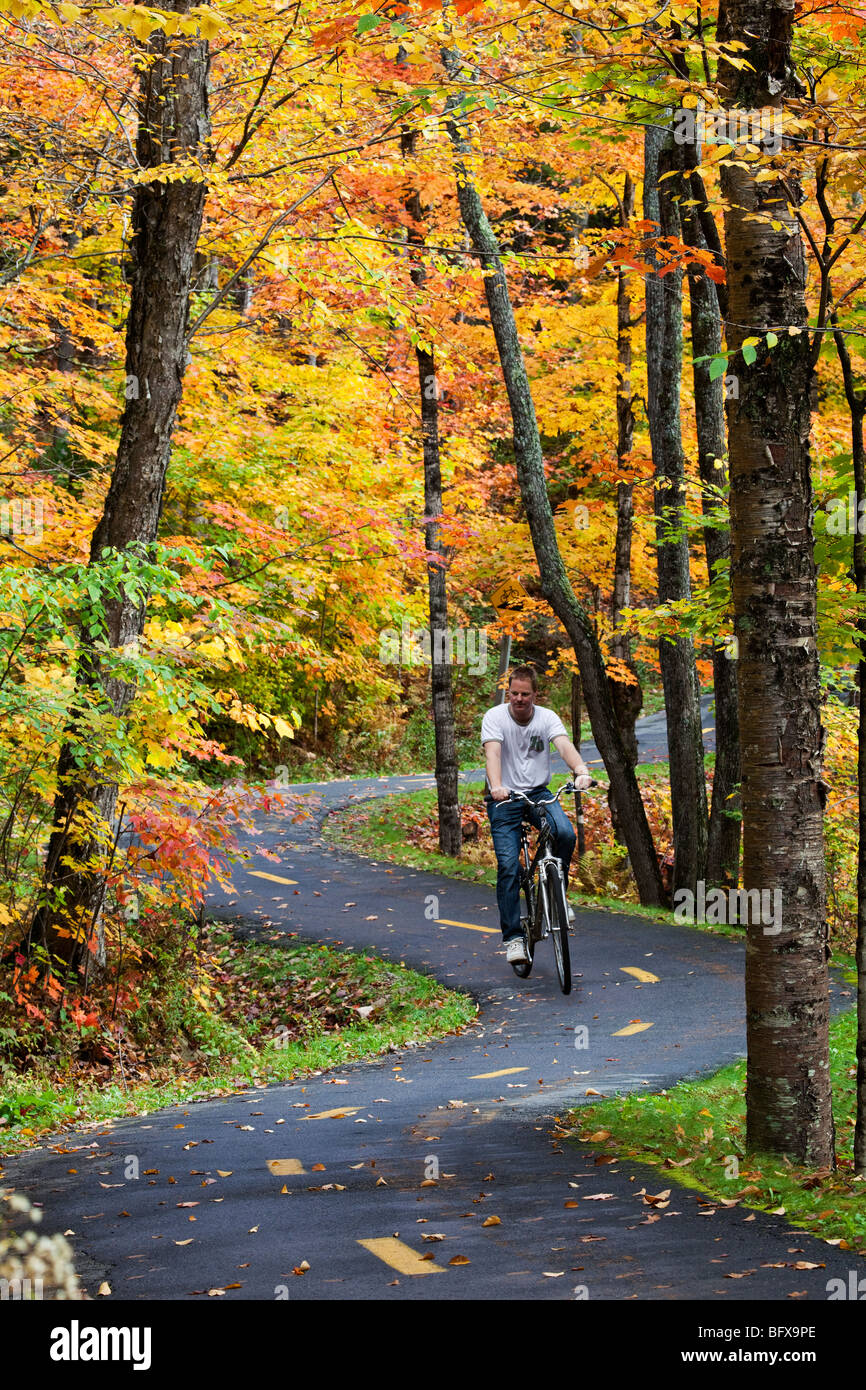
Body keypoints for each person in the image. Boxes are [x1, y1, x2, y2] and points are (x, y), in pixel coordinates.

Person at [481, 664, 592, 964]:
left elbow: (563, 745)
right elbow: (492, 752)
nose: (519, 699)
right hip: (504, 797)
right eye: (514, 693)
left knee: (565, 834)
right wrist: (497, 786)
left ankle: (557, 896)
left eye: (525, 694)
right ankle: (514, 938)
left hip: (538, 794)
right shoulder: (495, 717)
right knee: (507, 866)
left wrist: (580, 770)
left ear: (535, 694)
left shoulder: (546, 718)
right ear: (508, 693)